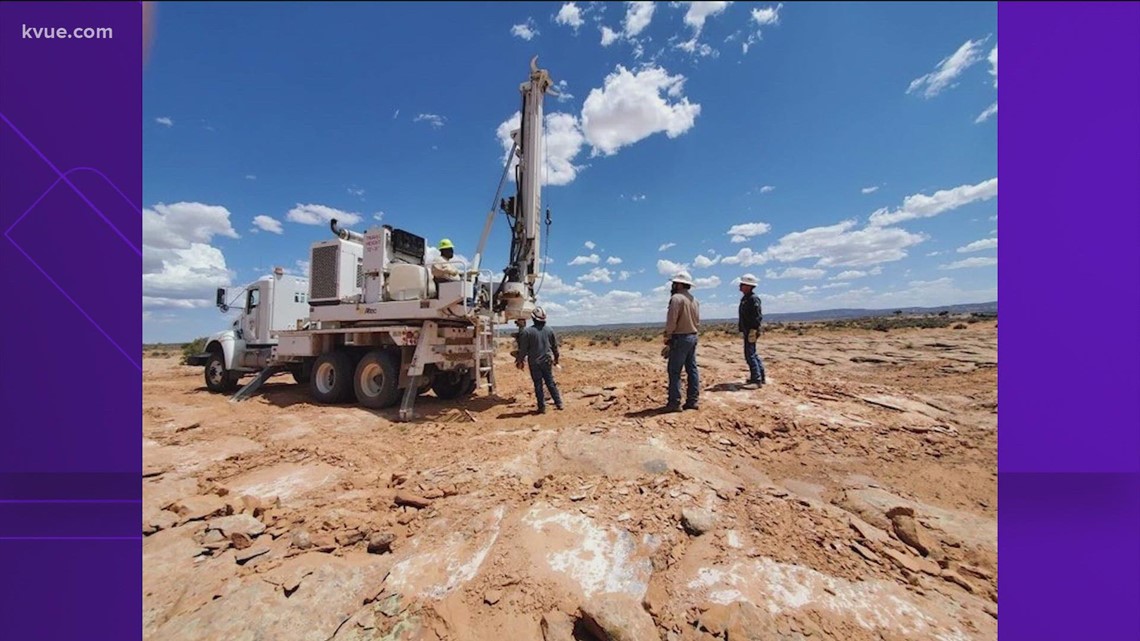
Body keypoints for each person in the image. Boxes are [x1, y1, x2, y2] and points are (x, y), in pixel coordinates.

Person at [663, 271, 700, 412]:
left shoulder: (676, 298)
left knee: (674, 371)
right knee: (692, 369)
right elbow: (697, 321)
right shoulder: (694, 300)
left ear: (679, 284)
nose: (672, 285)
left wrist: (668, 336)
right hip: (692, 336)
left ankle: (674, 403)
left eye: (674, 283)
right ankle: (692, 400)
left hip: (680, 338)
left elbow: (672, 320)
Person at [515, 307, 564, 414]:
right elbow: (555, 347)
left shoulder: (527, 332)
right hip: (547, 361)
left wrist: (520, 361)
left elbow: (523, 350)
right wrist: (556, 359)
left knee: (538, 384)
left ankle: (542, 407)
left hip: (534, 362)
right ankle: (559, 403)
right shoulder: (549, 330)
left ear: (533, 318)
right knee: (550, 382)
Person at [737, 273, 766, 387]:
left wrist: (753, 330)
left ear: (748, 286)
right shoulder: (746, 298)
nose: (740, 286)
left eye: (742, 284)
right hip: (748, 329)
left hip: (751, 330)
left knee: (750, 355)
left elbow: (757, 316)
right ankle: (760, 377)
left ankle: (756, 380)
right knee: (752, 353)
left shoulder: (753, 299)